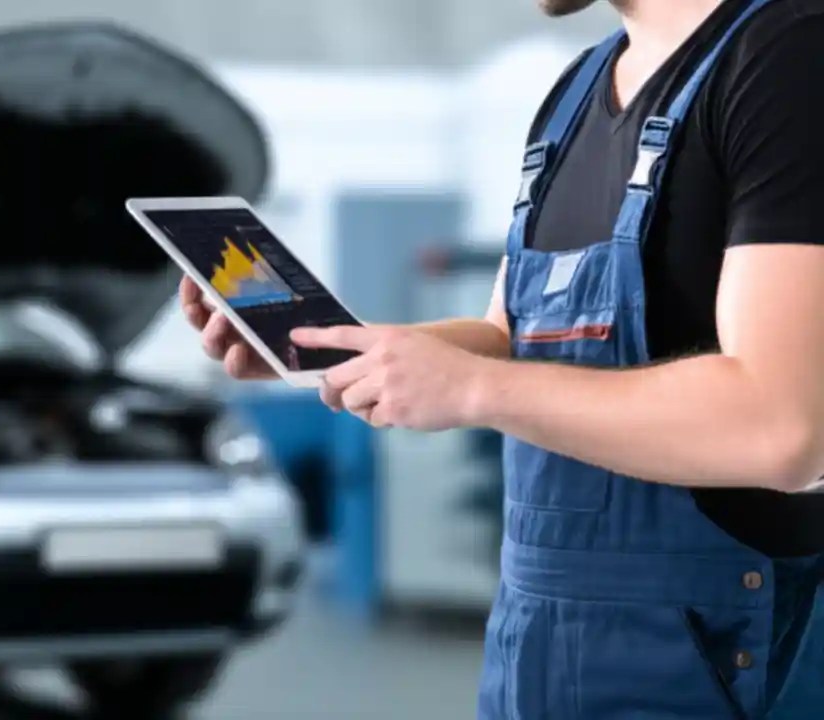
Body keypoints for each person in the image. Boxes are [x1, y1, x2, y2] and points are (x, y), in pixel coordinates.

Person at [180, 0, 824, 716]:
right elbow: (510, 334)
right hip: (536, 652)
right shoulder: (575, 91)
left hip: (707, 664)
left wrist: (476, 388)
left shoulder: (789, 57)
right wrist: (337, 350)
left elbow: (782, 427)